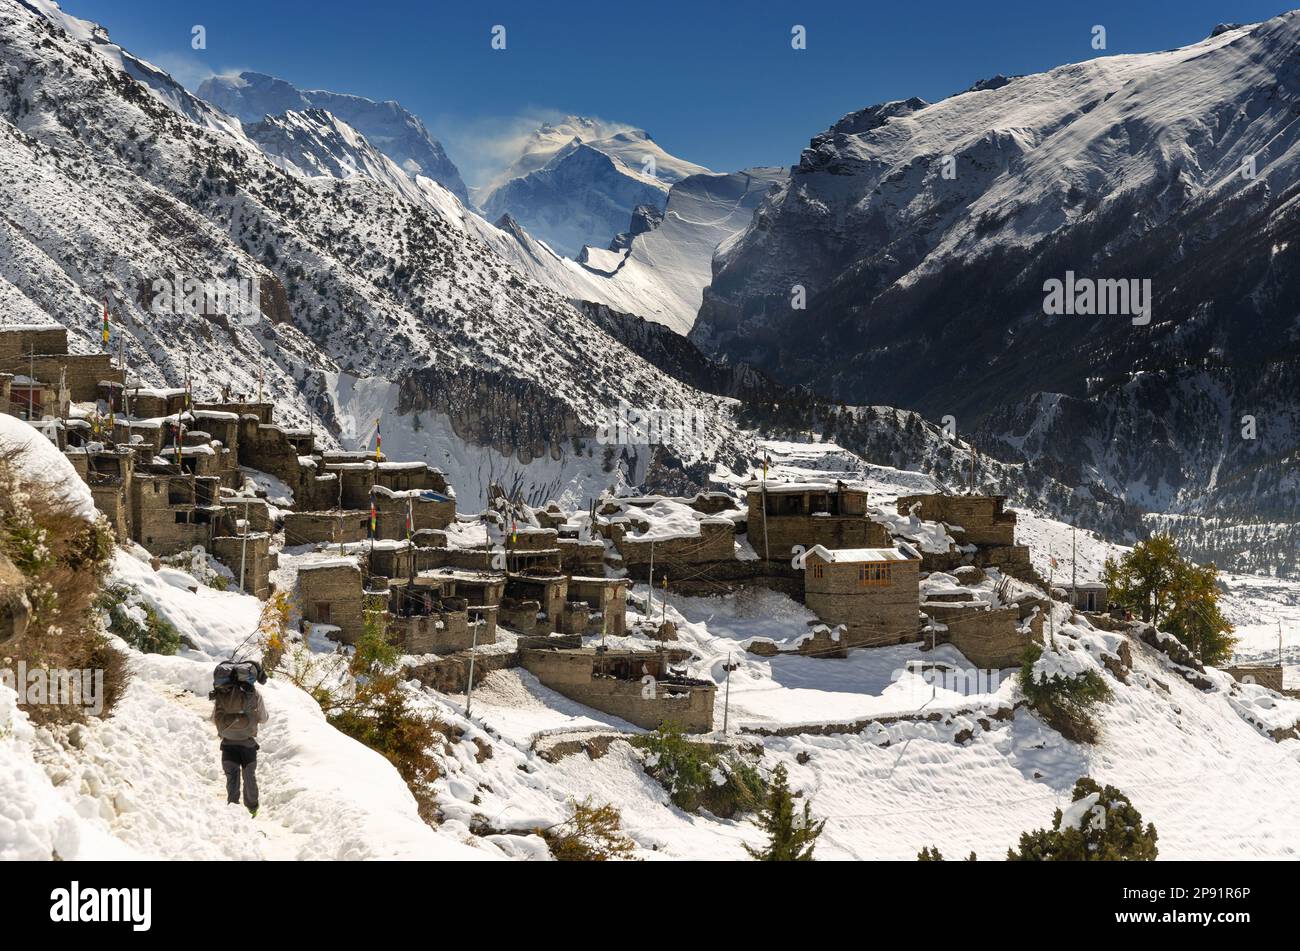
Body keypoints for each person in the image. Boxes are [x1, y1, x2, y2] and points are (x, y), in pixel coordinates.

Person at [211, 661, 269, 817]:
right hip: (248, 744)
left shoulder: (222, 693)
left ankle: (233, 810)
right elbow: (263, 718)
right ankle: (252, 809)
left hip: (228, 744)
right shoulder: (254, 694)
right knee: (249, 776)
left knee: (232, 777)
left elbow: (213, 718)